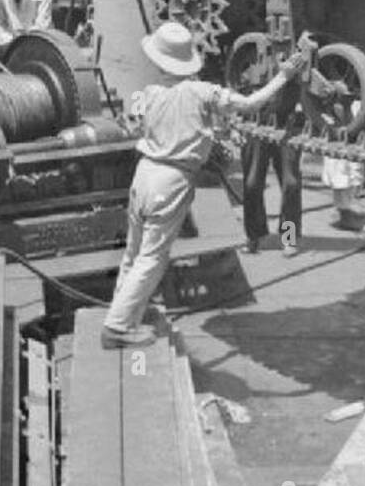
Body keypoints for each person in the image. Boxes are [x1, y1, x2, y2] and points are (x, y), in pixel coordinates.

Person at [103, 21, 308, 349]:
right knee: (153, 256)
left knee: (133, 251)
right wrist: (284, 75)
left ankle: (126, 313)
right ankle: (117, 327)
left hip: (143, 174)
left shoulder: (149, 94)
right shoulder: (202, 92)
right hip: (171, 180)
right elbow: (250, 103)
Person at [241, 93, 304, 257]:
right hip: (254, 121)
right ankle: (253, 235)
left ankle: (288, 237)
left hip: (288, 123)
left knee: (291, 184)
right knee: (252, 183)